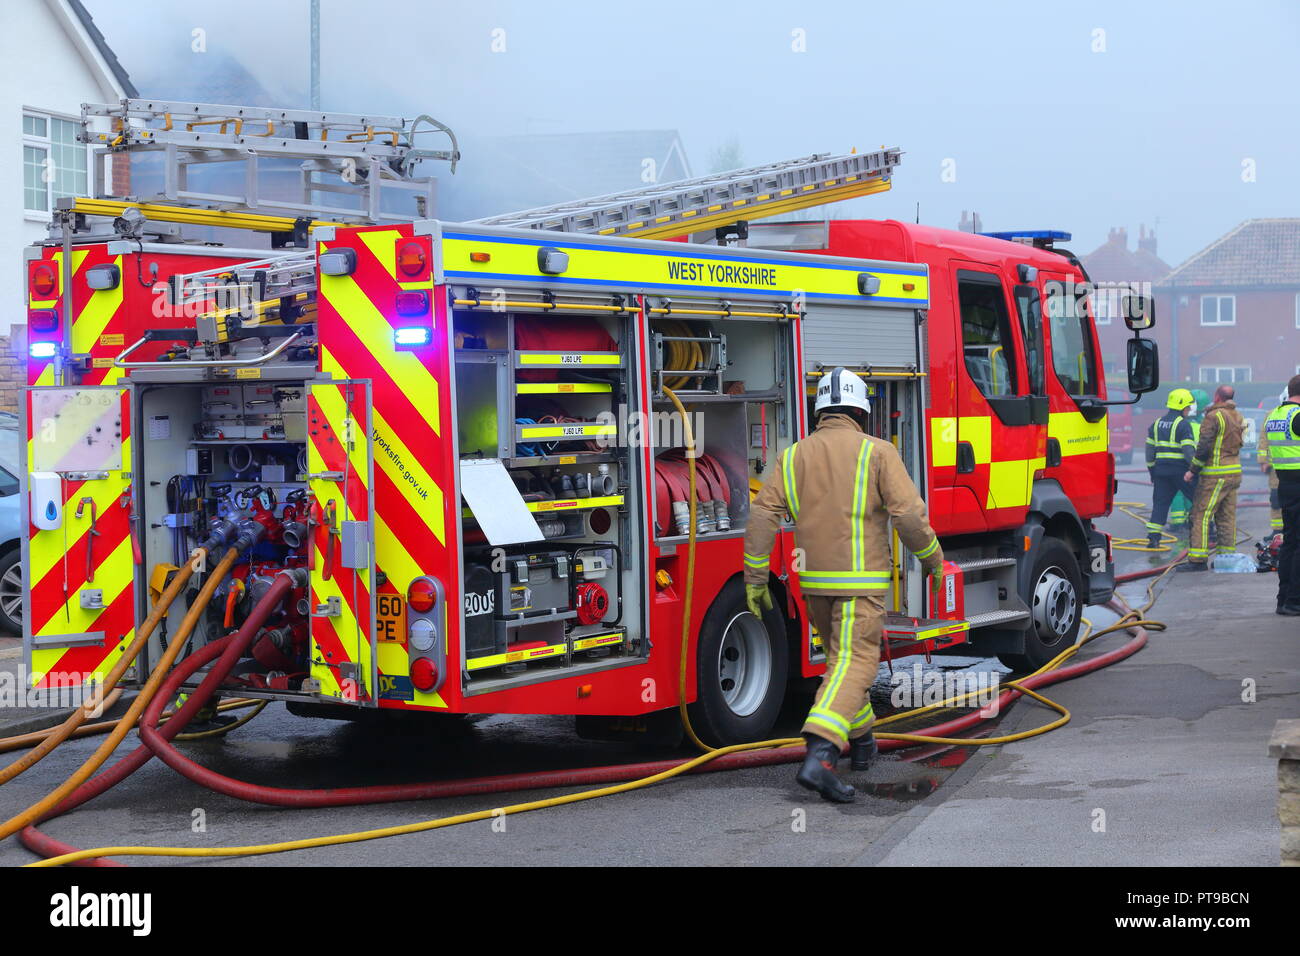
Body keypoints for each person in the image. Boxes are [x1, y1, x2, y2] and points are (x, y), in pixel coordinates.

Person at [743, 367, 943, 803]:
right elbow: (908, 515)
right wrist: (932, 559)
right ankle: (820, 755)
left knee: (840, 664)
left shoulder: (792, 456)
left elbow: (762, 515)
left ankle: (865, 743)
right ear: (860, 411)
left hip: (814, 587)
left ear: (820, 412)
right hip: (860, 586)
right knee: (856, 665)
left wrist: (756, 577)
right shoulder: (879, 451)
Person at [1179, 384, 1246, 571]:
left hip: (1215, 474)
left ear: (1217, 397)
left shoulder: (1213, 416)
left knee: (1201, 514)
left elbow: (1204, 446)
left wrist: (1192, 470)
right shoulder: (1238, 416)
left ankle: (1198, 560)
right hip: (1234, 472)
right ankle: (1226, 559)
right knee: (1226, 516)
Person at [1265, 375, 1300, 615]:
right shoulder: (1298, 416)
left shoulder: (1276, 415)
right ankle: (1295, 601)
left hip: (1285, 484)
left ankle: (1283, 599)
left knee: (1290, 543)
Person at [1144, 388, 1198, 548]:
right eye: (1187, 407)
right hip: (1181, 472)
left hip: (1161, 472)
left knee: (1160, 504)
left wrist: (1152, 471)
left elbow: (1149, 452)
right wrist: (1195, 470)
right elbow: (1188, 452)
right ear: (1182, 407)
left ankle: (1153, 538)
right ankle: (1205, 531)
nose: (1188, 410)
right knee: (1198, 500)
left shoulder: (1156, 424)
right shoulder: (1183, 425)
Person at [1260, 389, 1287, 535]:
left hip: (1293, 467)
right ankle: (1277, 531)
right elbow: (1264, 439)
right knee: (1276, 500)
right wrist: (1263, 460)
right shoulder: (1271, 415)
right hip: (1275, 467)